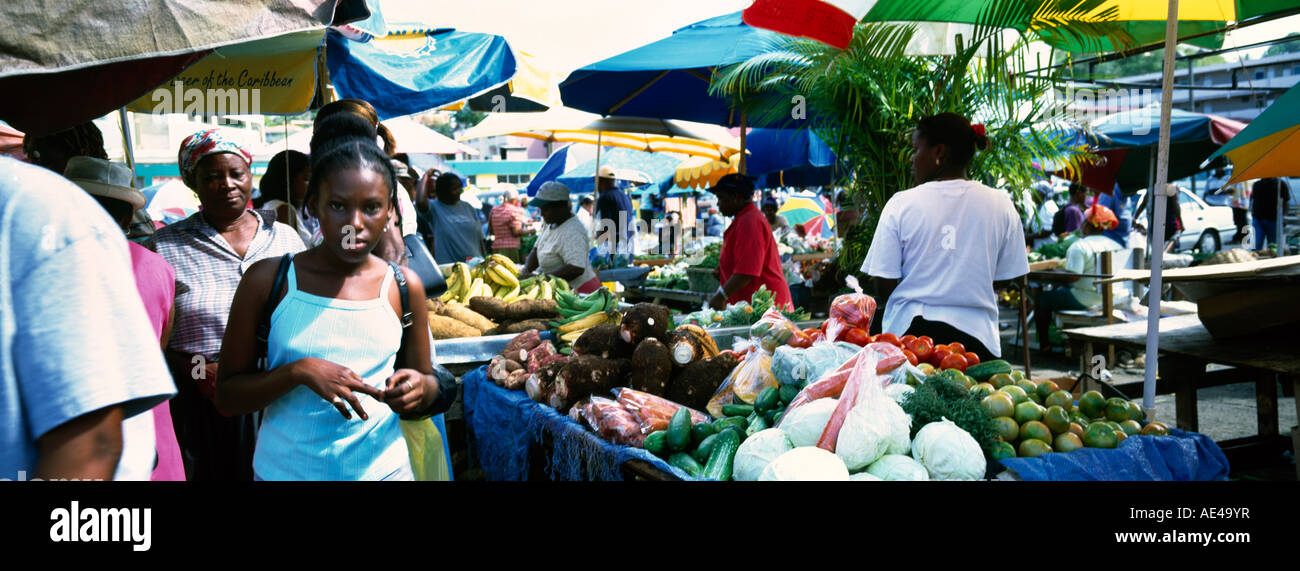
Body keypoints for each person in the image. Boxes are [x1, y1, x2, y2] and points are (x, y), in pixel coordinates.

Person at [214, 119, 445, 481]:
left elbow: (427, 380)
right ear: (313, 206)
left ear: (390, 213)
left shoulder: (403, 287)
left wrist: (420, 389)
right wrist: (297, 372)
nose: (355, 223)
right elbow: (227, 397)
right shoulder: (267, 281)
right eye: (338, 206)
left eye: (371, 207)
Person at [146, 128, 307, 481]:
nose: (228, 184)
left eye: (237, 173)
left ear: (251, 175)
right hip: (205, 399)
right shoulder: (165, 245)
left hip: (281, 392)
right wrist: (198, 368)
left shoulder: (284, 236)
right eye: (212, 176)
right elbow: (148, 336)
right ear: (193, 183)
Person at [1, 156, 175, 480]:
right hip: (140, 421)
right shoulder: (157, 265)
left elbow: (92, 444)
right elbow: (161, 346)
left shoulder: (42, 222)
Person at [860, 113, 1028, 362]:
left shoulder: (902, 204)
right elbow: (1012, 277)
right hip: (978, 344)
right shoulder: (1001, 204)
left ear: (939, 152)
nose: (911, 160)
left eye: (916, 150)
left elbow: (883, 283)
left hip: (911, 341)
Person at [63, 156, 186, 481]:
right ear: (129, 216)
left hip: (85, 432)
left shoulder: (53, 263)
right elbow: (160, 346)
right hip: (149, 423)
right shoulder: (160, 268)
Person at [1033, 204, 1124, 351]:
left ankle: (1045, 346)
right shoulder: (1116, 245)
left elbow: (1072, 277)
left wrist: (1052, 273)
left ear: (1087, 225)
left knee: (1041, 299)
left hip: (1085, 299)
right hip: (1113, 298)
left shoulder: (1080, 246)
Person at [705, 174, 793, 310]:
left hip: (767, 308)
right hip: (754, 305)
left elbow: (747, 271)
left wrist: (720, 296)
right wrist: (724, 271)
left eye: (721, 198)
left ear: (736, 197)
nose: (718, 204)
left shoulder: (749, 221)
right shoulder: (744, 219)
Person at [521, 182, 603, 294]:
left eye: (545, 209)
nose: (542, 214)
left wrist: (540, 278)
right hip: (560, 291)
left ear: (560, 207)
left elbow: (576, 268)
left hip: (582, 292)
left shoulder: (573, 230)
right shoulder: (549, 223)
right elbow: (536, 250)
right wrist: (526, 271)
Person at [256, 149, 313, 244]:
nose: (310, 185)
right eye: (306, 179)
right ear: (289, 180)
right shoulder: (284, 210)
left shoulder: (272, 205)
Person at [428, 171, 486, 264]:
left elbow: (480, 240)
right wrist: (426, 176)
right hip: (449, 269)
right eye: (454, 188)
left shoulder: (468, 207)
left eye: (460, 187)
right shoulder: (434, 207)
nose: (459, 191)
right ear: (443, 191)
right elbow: (420, 202)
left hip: (474, 265)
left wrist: (484, 260)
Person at [594, 165, 636, 265]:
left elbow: (605, 228)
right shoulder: (624, 196)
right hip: (628, 249)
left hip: (615, 251)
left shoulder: (604, 197)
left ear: (601, 181)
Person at [489, 187, 534, 263]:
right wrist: (530, 231)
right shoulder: (514, 210)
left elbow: (491, 231)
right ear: (514, 199)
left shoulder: (494, 210)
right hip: (511, 249)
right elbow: (516, 232)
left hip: (496, 247)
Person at [1250, 177, 1291, 251]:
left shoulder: (1280, 184)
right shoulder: (1257, 184)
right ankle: (1255, 261)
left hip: (1274, 220)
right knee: (1256, 245)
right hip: (1258, 219)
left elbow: (1286, 202)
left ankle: (1273, 261)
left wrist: (1284, 217)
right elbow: (1252, 199)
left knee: (1273, 246)